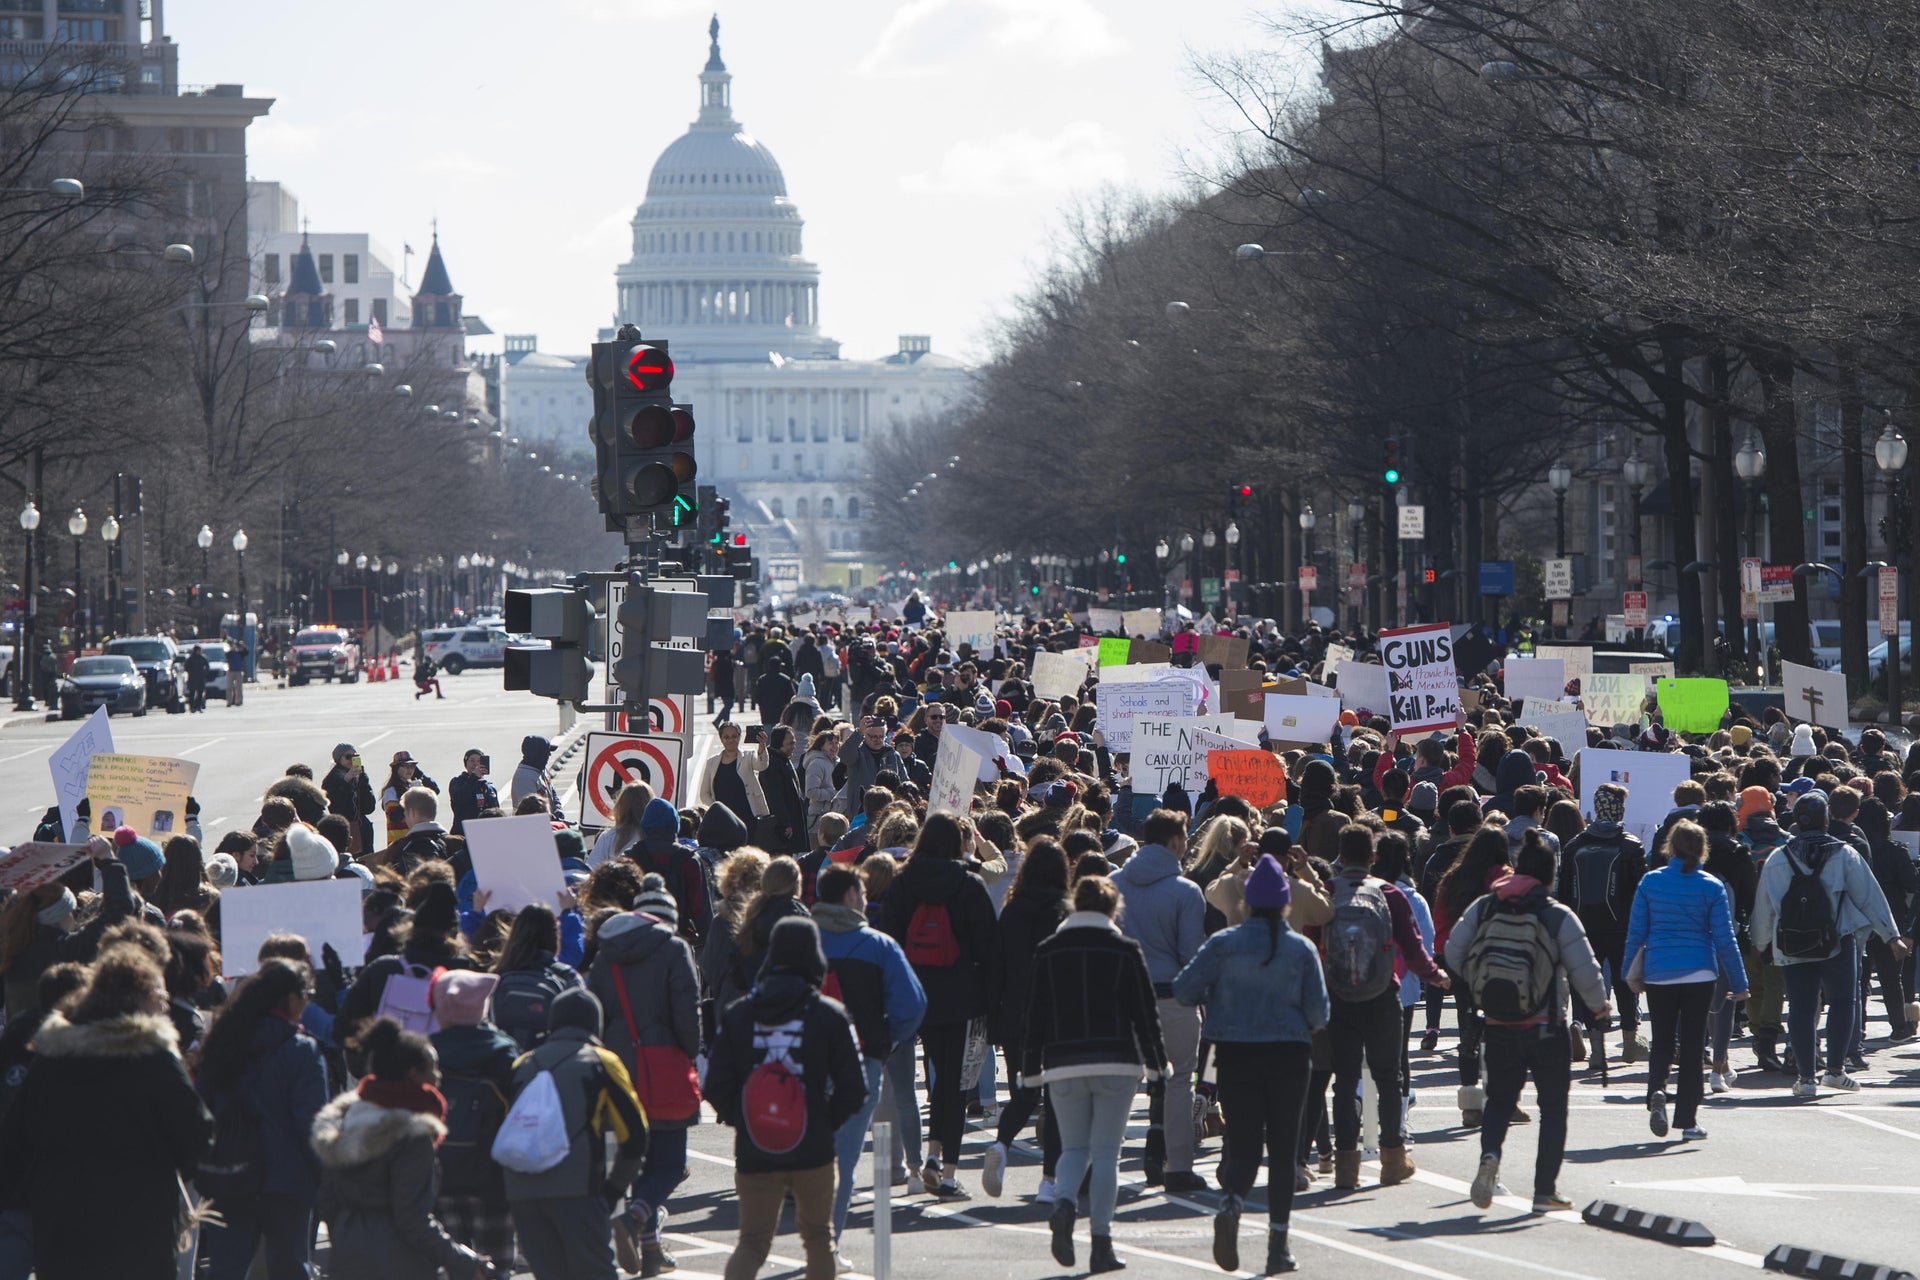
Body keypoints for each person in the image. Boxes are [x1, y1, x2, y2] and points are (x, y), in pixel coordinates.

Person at [0, 944, 213, 1280]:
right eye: (160, 996)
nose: (165, 1005)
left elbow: (17, 1138)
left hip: (63, 1225)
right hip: (140, 1226)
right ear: (141, 999)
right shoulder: (154, 1057)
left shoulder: (54, 1056)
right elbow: (196, 1138)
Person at [1173, 854, 1327, 1275]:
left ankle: (1231, 1203)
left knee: (1241, 1142)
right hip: (1289, 1056)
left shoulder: (1223, 944)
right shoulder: (1301, 948)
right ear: (1284, 904)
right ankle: (1278, 1244)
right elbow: (1319, 1015)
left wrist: (1218, 1004)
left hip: (1234, 1053)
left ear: (1245, 902)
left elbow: (1185, 989)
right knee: (1283, 1149)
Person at [1447, 829, 1609, 1213]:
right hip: (1546, 1024)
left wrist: (1479, 984)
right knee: (1553, 1108)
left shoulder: (1486, 906)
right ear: (1550, 876)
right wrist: (1600, 1010)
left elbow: (1453, 952)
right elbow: (1585, 972)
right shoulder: (1556, 915)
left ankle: (1490, 1156)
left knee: (1500, 1102)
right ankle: (1544, 1190)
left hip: (1498, 1022)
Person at [705, 917, 868, 1280]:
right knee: (818, 1239)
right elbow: (855, 1088)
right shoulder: (830, 1014)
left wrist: (745, 1118)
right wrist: (824, 1120)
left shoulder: (740, 1014)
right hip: (813, 1146)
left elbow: (715, 1085)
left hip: (755, 1144)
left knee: (752, 1243)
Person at [1021, 875, 1168, 1275]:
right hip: (1116, 1060)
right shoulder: (1125, 949)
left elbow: (1035, 1013)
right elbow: (1145, 1012)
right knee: (1106, 1154)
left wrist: (1030, 1068)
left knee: (1073, 1149)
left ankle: (1064, 1202)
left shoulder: (1049, 950)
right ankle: (1101, 1242)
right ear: (1111, 909)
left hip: (1064, 1062)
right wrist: (1158, 1064)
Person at [1749, 789, 1911, 1097]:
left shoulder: (1777, 858)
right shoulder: (1844, 853)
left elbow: (1764, 907)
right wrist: (1891, 935)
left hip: (1792, 944)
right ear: (1827, 819)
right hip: (1838, 941)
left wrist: (1760, 943)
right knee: (1842, 1002)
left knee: (1800, 1007)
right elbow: (1870, 897)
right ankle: (1836, 1070)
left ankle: (1806, 1078)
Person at [312, 1018, 495, 1280]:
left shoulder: (345, 1121)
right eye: (433, 1067)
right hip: (400, 1259)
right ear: (413, 1073)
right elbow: (412, 1217)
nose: (438, 1075)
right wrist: (465, 1261)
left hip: (348, 1253)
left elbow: (327, 1199)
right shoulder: (412, 1133)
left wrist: (344, 1238)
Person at [878, 812, 999, 1198]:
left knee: (932, 1077)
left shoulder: (903, 883)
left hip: (917, 994)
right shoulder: (969, 885)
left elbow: (890, 941)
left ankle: (931, 1154)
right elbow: (988, 948)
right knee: (955, 1084)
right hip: (963, 994)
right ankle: (945, 1171)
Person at [586, 879, 702, 1277]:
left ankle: (650, 1249)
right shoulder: (674, 949)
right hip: (664, 1063)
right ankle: (635, 1218)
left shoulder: (606, 954)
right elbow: (687, 1010)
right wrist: (689, 1051)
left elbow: (594, 1012)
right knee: (670, 1163)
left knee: (637, 1159)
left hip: (618, 1070)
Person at [1323, 824, 1447, 1188]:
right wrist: (1435, 975)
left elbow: (1314, 944)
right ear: (1373, 858)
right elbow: (1413, 946)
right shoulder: (1389, 893)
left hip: (1338, 996)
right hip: (1382, 995)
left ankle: (1346, 1166)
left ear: (1341, 857)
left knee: (1345, 1081)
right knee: (1388, 1077)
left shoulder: (1327, 893)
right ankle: (1393, 1158)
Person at [813, 864, 927, 1260]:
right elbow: (912, 1006)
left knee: (807, 1153)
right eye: (859, 893)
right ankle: (827, 1245)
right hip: (862, 1058)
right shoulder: (878, 946)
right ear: (849, 896)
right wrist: (886, 1039)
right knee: (845, 1157)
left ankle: (806, 1236)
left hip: (804, 1063)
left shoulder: (798, 940)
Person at [195, 957, 330, 1280]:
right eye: (307, 994)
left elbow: (200, 1105)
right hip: (287, 1180)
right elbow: (312, 1124)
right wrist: (324, 1179)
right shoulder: (302, 1050)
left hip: (227, 1173)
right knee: (291, 1268)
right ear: (292, 999)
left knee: (225, 1270)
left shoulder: (222, 1040)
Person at [501, 989, 649, 1280]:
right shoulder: (600, 1062)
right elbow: (635, 1137)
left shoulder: (522, 1064)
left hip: (522, 1192)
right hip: (578, 1190)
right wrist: (611, 1193)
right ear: (596, 1024)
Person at [1622, 819, 1748, 1140]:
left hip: (1660, 970)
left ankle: (1656, 1092)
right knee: (1693, 1046)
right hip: (1699, 971)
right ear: (1702, 849)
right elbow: (1725, 938)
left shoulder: (1650, 882)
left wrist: (1628, 974)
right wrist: (1738, 980)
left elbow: (1636, 933)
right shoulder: (1711, 886)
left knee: (1662, 1041)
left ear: (1670, 846)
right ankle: (1688, 1120)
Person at [1111, 808, 1208, 1192]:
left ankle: (1101, 1162)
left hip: (1124, 997)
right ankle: (1178, 1165)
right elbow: (1191, 952)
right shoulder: (1185, 891)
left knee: (1120, 1082)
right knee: (1180, 1079)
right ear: (1175, 841)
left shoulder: (1113, 882)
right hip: (1172, 994)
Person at [983, 838, 1069, 1202]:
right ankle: (1049, 1181)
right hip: (1056, 1014)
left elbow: (997, 968)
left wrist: (992, 1017)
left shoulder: (1013, 909)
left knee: (1024, 1092)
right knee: (1056, 1101)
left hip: (1015, 1013)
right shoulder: (1063, 911)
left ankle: (1002, 1145)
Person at [428, 972, 520, 1276]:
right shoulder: (504, 1051)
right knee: (498, 1265)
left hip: (440, 1175)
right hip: (494, 1177)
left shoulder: (427, 1052)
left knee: (453, 1266)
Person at [1555, 783, 1647, 1066]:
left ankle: (1596, 1048)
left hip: (1584, 927)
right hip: (1622, 927)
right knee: (1624, 985)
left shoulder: (1574, 845)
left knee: (1586, 984)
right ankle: (1630, 1043)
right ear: (1620, 808)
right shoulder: (1631, 845)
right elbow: (1639, 892)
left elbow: (1565, 895)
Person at [490, 903, 584, 1053]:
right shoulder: (566, 976)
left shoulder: (498, 976)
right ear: (555, 936)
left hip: (505, 1063)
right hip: (552, 1064)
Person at [629, 797, 714, 944]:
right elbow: (700, 909)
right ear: (675, 826)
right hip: (678, 938)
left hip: (637, 939)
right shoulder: (689, 859)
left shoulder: (631, 857)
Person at [760, 725, 811, 855]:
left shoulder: (783, 760)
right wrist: (785, 823)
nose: (794, 746)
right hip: (784, 827)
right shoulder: (772, 764)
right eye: (790, 743)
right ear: (779, 743)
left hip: (793, 821)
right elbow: (775, 797)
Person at [323, 743, 378, 859]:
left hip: (363, 828)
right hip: (344, 829)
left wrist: (363, 782)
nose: (352, 760)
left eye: (355, 756)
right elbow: (336, 807)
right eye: (348, 757)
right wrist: (346, 782)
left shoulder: (360, 777)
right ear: (339, 759)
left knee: (368, 860)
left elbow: (369, 808)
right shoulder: (332, 780)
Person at [381, 753, 440, 846]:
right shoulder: (390, 791)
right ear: (396, 769)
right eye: (405, 766)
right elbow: (394, 817)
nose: (409, 770)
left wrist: (419, 774)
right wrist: (409, 795)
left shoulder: (410, 785)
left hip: (414, 840)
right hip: (398, 843)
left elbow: (435, 790)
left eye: (412, 767)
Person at [449, 749, 498, 838]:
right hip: (463, 833)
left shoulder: (489, 787)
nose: (475, 764)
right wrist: (473, 778)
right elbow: (459, 798)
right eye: (472, 761)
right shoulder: (457, 782)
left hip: (485, 833)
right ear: (466, 763)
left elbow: (496, 812)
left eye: (479, 761)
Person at [802, 729, 841, 838]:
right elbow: (810, 792)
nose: (835, 746)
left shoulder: (837, 762)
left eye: (836, 743)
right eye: (830, 743)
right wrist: (833, 794)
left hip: (834, 817)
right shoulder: (816, 764)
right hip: (818, 818)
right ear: (821, 746)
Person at [186, 643, 210, 712]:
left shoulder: (202, 658)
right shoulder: (190, 659)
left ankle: (198, 707)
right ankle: (192, 707)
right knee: (192, 693)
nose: (199, 652)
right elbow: (186, 667)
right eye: (198, 650)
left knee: (200, 693)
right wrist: (191, 672)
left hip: (200, 678)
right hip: (192, 678)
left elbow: (207, 666)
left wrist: (204, 673)